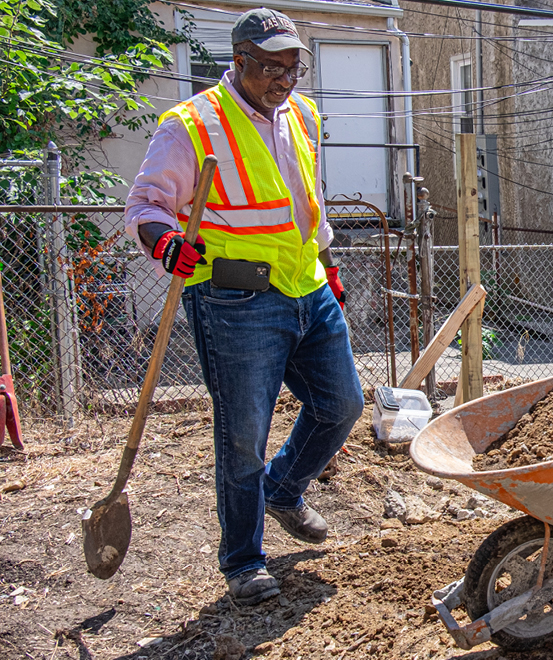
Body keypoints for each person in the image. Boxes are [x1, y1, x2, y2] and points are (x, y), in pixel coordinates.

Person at [124, 8, 363, 606]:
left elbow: (309, 201)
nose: (285, 78)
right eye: (271, 66)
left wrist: (328, 268)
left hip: (306, 285)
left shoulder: (302, 114)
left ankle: (284, 488)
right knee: (242, 435)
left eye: (293, 66)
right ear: (238, 61)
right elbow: (147, 205)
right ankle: (244, 561)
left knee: (341, 405)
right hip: (237, 299)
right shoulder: (191, 124)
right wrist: (167, 243)